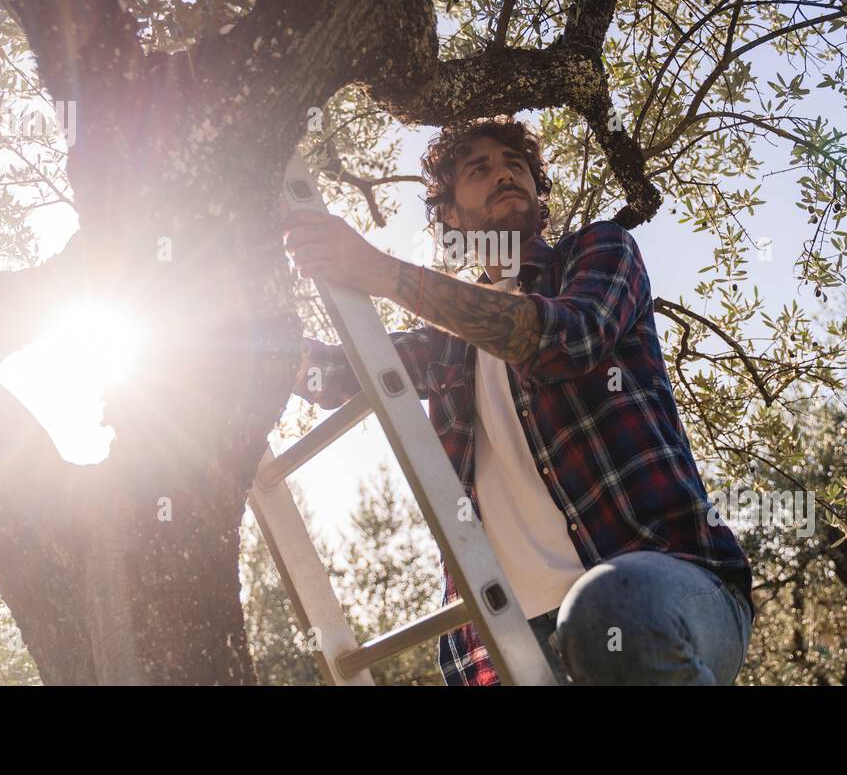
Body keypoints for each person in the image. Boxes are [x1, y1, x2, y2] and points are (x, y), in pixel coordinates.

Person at [282, 115, 753, 685]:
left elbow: (565, 338)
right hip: (511, 647)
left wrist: (381, 272)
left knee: (611, 608)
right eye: (479, 169)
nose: (505, 175)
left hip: (666, 592)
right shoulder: (449, 349)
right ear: (450, 217)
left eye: (516, 165)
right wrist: (239, 340)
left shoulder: (601, 252)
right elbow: (335, 373)